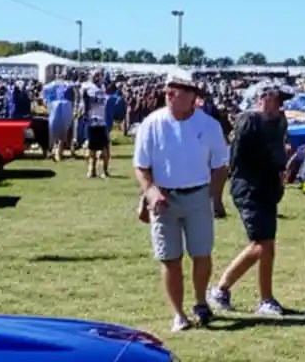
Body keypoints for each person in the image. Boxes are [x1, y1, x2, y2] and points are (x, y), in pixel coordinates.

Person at [134, 69, 231, 332]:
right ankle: (178, 314)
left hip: (198, 195)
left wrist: (215, 197)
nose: (169, 94)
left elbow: (220, 165)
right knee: (170, 258)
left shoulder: (209, 125)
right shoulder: (151, 124)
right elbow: (141, 166)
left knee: (201, 254)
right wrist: (150, 192)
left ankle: (200, 302)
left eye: (176, 90)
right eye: (167, 90)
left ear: (192, 96)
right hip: (163, 199)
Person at [209, 81, 292, 316]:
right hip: (250, 189)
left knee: (268, 246)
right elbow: (235, 160)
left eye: (280, 100)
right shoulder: (249, 121)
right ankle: (221, 289)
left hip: (268, 189)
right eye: (273, 99)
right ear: (260, 99)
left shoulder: (279, 122)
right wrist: (218, 197)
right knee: (260, 245)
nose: (277, 105)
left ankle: (266, 298)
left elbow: (278, 153)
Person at [80, 70, 111, 178]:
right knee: (92, 148)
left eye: (99, 76)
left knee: (105, 147)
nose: (98, 78)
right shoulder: (87, 88)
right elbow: (85, 102)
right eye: (96, 76)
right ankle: (91, 170)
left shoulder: (102, 88)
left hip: (101, 121)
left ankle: (104, 171)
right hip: (92, 120)